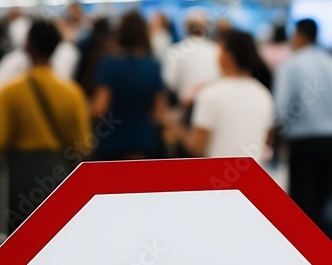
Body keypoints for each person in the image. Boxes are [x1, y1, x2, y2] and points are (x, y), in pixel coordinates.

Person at [0, 21, 91, 228]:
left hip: (20, 175)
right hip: (59, 173)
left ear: (27, 46)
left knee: (21, 235)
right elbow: (84, 145)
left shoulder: (9, 92)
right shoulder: (72, 93)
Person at [274, 18, 332, 224]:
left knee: (302, 207)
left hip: (302, 144)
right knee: (324, 205)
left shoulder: (290, 65)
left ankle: (303, 243)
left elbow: (281, 109)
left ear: (299, 35)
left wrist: (276, 138)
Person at [182, 29, 274, 159]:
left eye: (219, 49)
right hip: (254, 169)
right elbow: (267, 137)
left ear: (228, 56)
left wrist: (175, 127)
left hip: (218, 170)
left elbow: (197, 147)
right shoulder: (263, 94)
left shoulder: (211, 94)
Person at [92, 10, 167, 160]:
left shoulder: (109, 65)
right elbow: (159, 113)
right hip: (144, 142)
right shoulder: (153, 66)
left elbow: (100, 108)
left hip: (112, 142)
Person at [162, 13, 220, 107]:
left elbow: (169, 82)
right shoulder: (217, 50)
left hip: (185, 105)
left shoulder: (174, 51)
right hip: (213, 104)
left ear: (185, 28)